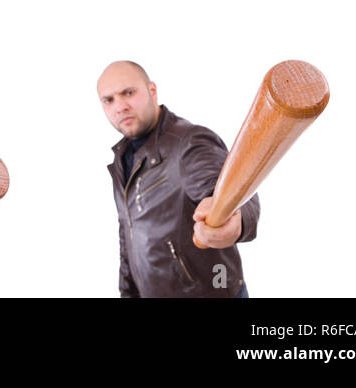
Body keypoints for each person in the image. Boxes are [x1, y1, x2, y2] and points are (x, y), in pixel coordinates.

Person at [97, 60, 259, 298]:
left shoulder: (189, 142)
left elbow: (231, 191)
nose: (120, 106)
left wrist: (235, 219)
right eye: (109, 100)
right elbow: (129, 236)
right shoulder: (123, 159)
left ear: (152, 91)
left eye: (128, 93)